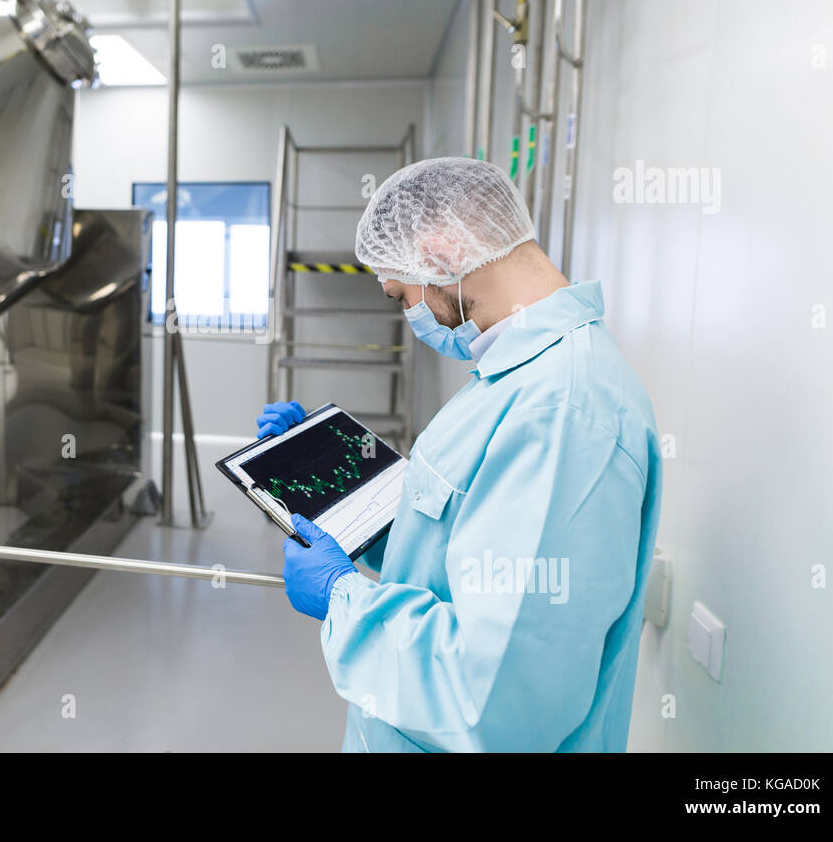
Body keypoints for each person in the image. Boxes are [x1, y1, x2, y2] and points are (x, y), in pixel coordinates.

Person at [260, 157, 662, 752]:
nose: (410, 315)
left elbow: (497, 699)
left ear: (444, 257)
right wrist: (330, 485)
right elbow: (459, 542)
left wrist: (343, 599)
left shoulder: (561, 414)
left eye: (402, 295)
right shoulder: (514, 377)